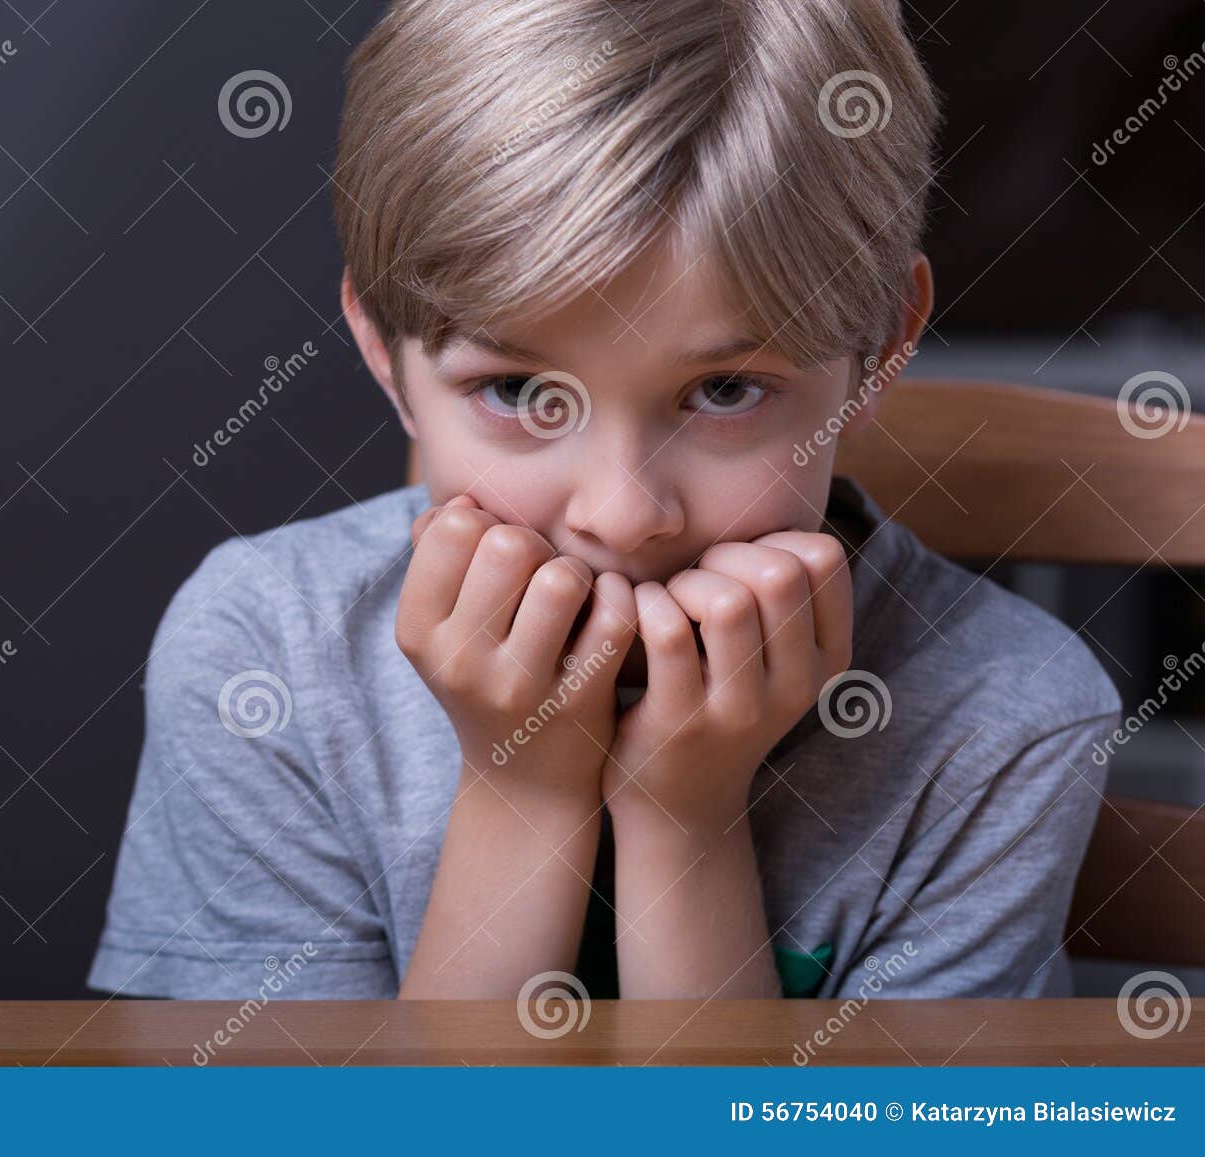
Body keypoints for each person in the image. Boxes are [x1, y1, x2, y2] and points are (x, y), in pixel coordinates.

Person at [87, 0, 1121, 1002]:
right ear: (383, 353)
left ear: (879, 347)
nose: (623, 515)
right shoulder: (265, 650)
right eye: (518, 391)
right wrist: (520, 789)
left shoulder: (1004, 718)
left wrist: (687, 820)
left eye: (723, 390)